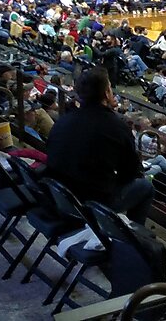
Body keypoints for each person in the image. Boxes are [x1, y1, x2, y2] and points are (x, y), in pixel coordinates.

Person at [46, 67, 154, 223]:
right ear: (106, 93)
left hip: (59, 197)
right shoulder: (117, 126)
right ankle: (133, 239)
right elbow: (131, 173)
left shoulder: (63, 120)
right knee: (146, 187)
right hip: (92, 204)